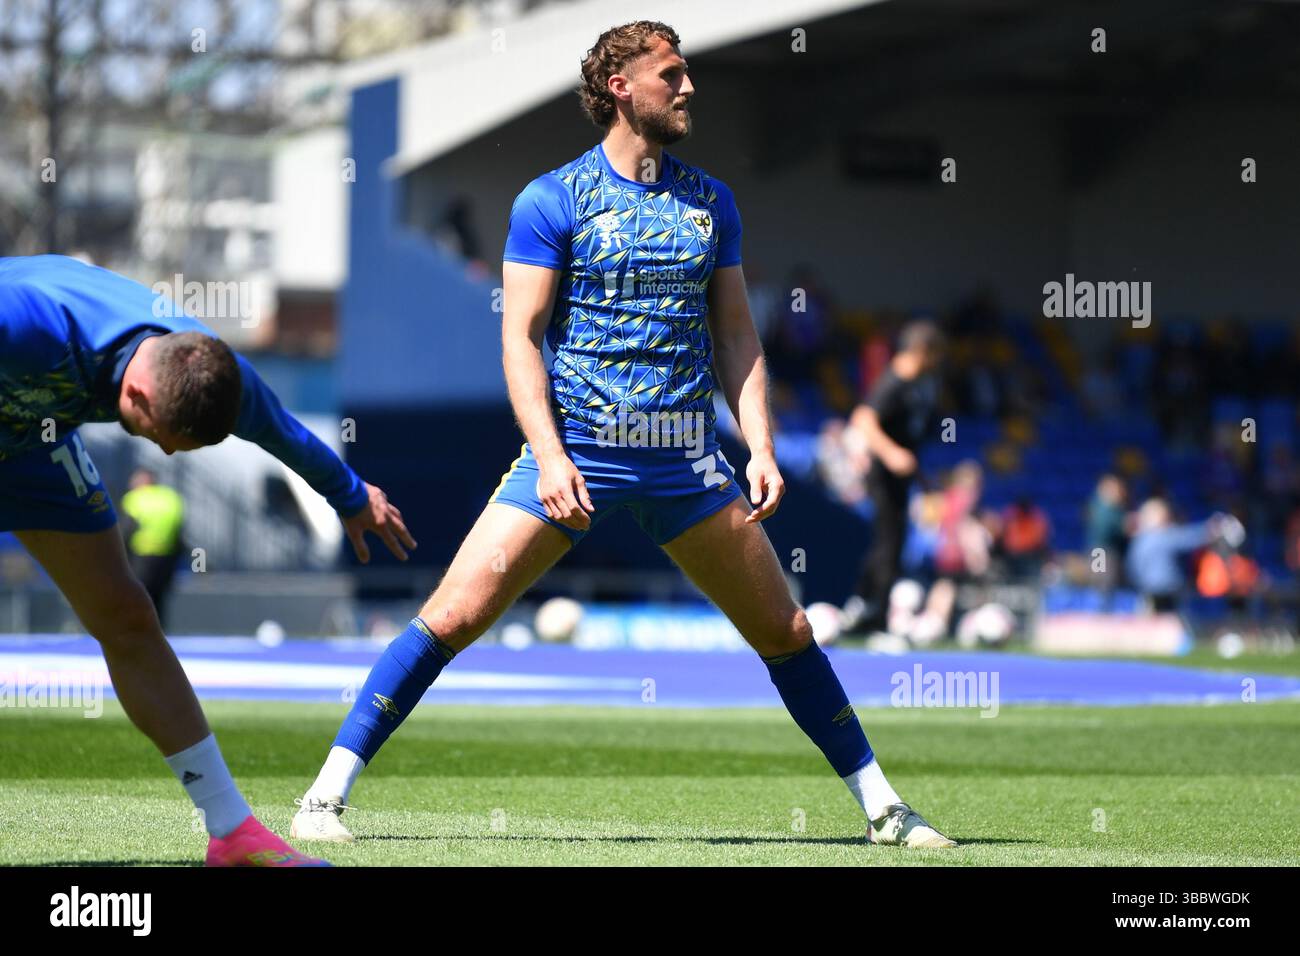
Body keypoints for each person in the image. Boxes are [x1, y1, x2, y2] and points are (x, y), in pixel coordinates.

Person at [292, 20, 954, 849]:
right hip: (574, 454)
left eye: (686, 74)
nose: (688, 88)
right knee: (453, 615)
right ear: (620, 87)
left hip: (688, 460)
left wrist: (760, 442)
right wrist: (553, 454)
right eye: (671, 74)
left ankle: (886, 811)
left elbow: (739, 338)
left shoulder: (713, 203)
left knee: (786, 633)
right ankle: (323, 798)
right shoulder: (551, 199)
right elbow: (520, 338)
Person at [0, 254, 415, 866]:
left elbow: (284, 433)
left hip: (31, 444)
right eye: (164, 435)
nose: (166, 452)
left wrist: (352, 497)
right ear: (137, 392)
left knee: (126, 613)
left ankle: (232, 834)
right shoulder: (23, 320)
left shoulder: (209, 372)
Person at [841, 320, 945, 635]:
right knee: (888, 540)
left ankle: (867, 608)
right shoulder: (894, 381)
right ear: (923, 351)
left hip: (903, 479)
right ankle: (874, 615)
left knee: (894, 540)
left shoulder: (920, 385)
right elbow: (863, 418)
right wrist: (891, 454)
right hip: (884, 476)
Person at [119, 468, 184, 626]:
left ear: (143, 481)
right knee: (159, 598)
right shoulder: (172, 497)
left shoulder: (135, 498)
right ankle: (158, 634)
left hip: (141, 556)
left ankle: (137, 631)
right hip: (167, 557)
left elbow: (126, 530)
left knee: (138, 596)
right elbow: (179, 532)